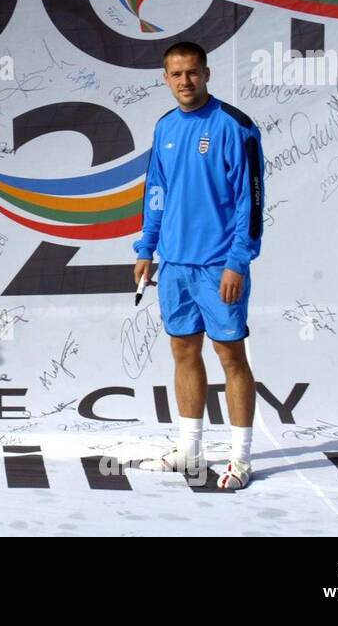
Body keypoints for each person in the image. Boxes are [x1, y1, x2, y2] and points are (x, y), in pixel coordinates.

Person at [132, 41, 265, 490]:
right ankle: (190, 451)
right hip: (174, 265)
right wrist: (146, 249)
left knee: (230, 355)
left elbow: (252, 201)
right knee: (183, 352)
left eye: (192, 73)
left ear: (206, 74)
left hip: (218, 267)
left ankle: (241, 458)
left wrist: (237, 262)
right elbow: (156, 192)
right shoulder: (165, 126)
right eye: (176, 74)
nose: (185, 81)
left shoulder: (235, 126)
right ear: (165, 78)